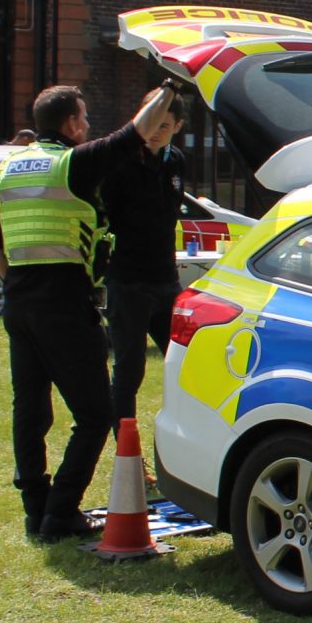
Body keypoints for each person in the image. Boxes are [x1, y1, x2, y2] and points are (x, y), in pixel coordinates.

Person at [0, 81, 180, 541]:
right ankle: (61, 514)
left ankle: (36, 509)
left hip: (19, 302)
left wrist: (19, 284)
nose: (89, 124)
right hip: (65, 304)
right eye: (85, 116)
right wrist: (170, 87)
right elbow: (136, 133)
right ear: (72, 123)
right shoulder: (70, 164)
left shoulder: (7, 168)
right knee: (95, 414)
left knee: (30, 411)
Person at [100, 97, 187, 431]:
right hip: (128, 280)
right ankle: (126, 448)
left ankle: (184, 438)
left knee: (183, 363)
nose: (154, 132)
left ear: (177, 127)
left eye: (164, 126)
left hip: (166, 279)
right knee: (129, 369)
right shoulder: (120, 160)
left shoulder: (175, 161)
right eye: (151, 123)